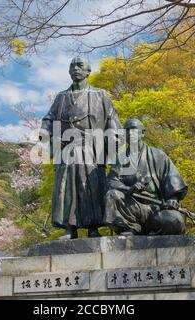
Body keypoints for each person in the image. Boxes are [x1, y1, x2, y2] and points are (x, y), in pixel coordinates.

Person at [41, 56, 122, 239]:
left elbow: (111, 119)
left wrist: (113, 144)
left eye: (80, 66)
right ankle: (70, 229)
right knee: (67, 186)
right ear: (69, 71)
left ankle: (93, 227)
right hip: (67, 148)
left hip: (92, 148)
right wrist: (45, 131)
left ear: (88, 71)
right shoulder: (61, 97)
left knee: (92, 186)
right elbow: (49, 118)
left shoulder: (99, 94)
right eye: (72, 66)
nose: (76, 68)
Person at [103, 118, 188, 235]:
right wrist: (129, 189)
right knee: (112, 195)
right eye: (127, 131)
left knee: (175, 222)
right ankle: (130, 228)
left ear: (142, 133)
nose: (130, 133)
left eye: (133, 129)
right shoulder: (120, 159)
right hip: (131, 208)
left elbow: (171, 177)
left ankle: (153, 233)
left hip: (156, 208)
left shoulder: (158, 155)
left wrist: (173, 199)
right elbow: (111, 181)